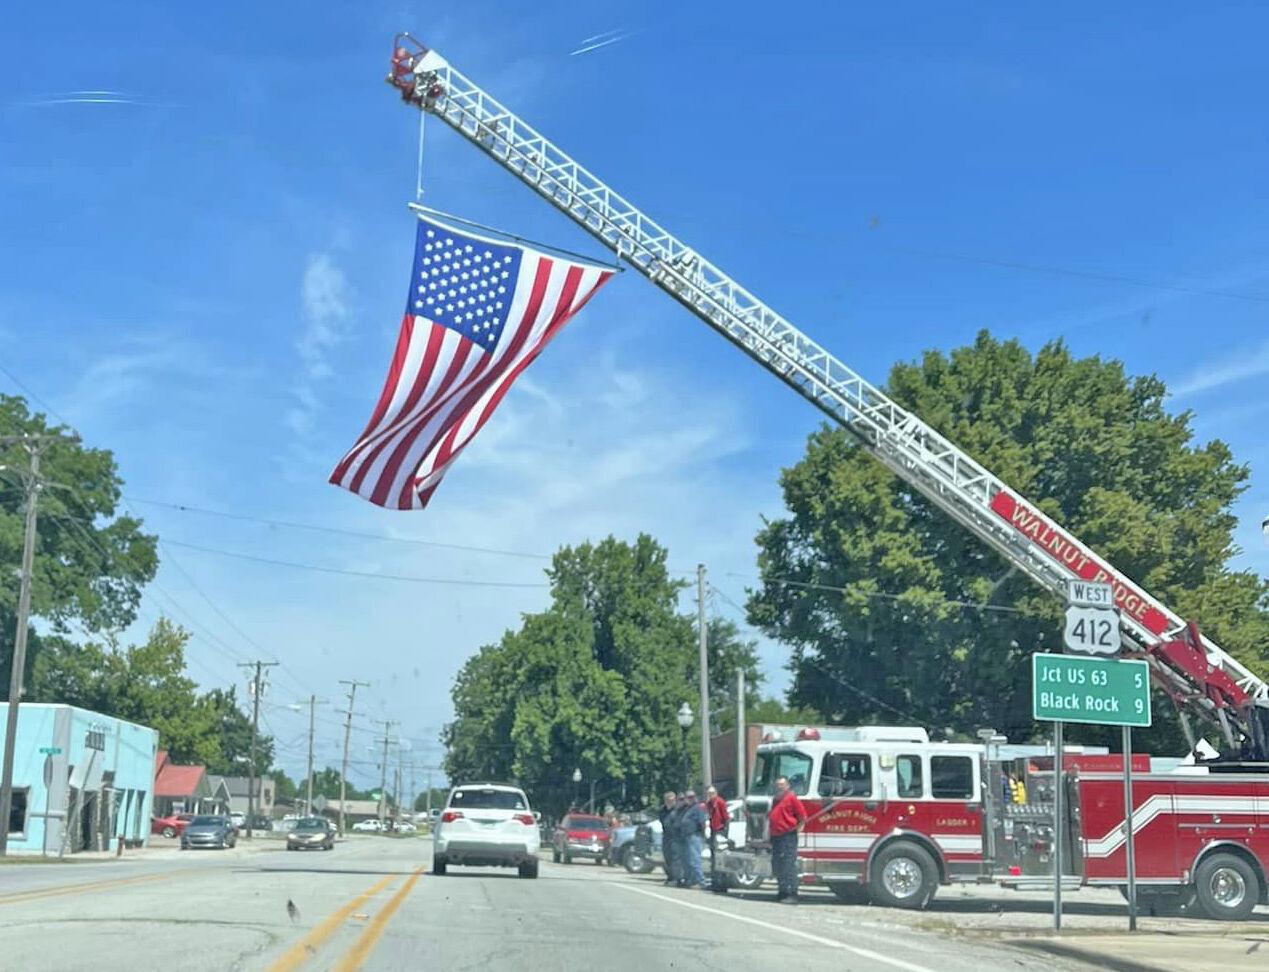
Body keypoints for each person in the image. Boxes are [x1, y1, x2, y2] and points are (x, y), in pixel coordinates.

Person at [768, 775, 806, 904]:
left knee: (788, 865)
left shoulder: (792, 798)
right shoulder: (775, 799)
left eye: (782, 785)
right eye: (778, 785)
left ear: (788, 786)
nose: (779, 787)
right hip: (776, 836)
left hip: (788, 836)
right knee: (778, 865)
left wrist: (797, 830)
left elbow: (802, 816)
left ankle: (792, 893)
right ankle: (782, 891)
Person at [704, 785, 729, 888]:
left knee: (720, 858)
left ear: (716, 793)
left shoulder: (720, 802)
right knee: (713, 857)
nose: (711, 796)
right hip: (713, 831)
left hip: (720, 831)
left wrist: (724, 833)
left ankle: (722, 883)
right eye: (709, 794)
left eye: (712, 793)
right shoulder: (709, 803)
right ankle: (715, 882)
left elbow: (726, 818)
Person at [682, 790, 707, 888]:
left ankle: (702, 882)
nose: (690, 799)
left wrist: (704, 834)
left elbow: (702, 822)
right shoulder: (688, 808)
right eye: (688, 797)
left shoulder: (698, 807)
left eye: (692, 796)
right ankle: (691, 880)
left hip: (694, 836)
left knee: (695, 859)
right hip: (687, 836)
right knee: (688, 860)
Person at [658, 791, 678, 886]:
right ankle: (670, 877)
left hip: (675, 837)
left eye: (672, 800)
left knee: (675, 858)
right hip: (666, 836)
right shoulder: (662, 810)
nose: (670, 802)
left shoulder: (677, 810)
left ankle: (675, 878)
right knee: (667, 857)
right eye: (668, 800)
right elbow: (661, 820)